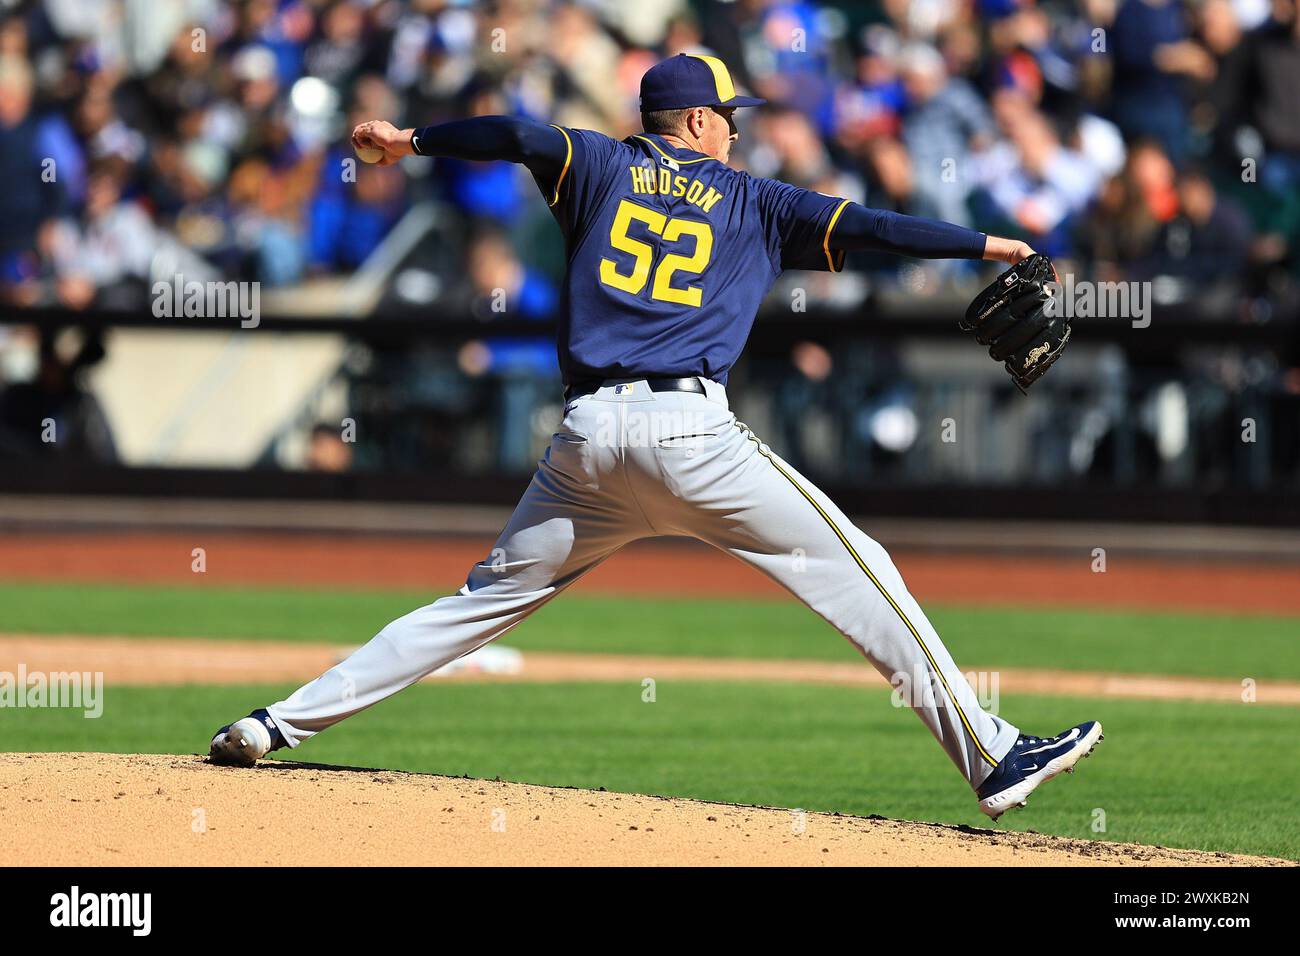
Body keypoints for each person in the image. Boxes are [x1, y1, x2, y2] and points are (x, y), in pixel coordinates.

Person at [209, 54, 1103, 821]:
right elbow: (874, 229)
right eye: (730, 120)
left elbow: (519, 135)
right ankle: (992, 755)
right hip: (690, 435)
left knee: (469, 608)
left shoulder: (596, 163)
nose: (737, 134)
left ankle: (277, 724)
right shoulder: (757, 199)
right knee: (858, 565)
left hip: (586, 443)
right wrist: (991, 246)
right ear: (701, 121)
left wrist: (411, 142)